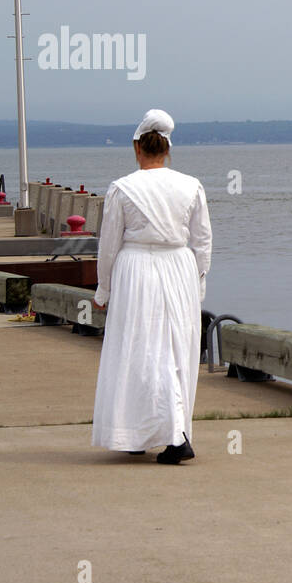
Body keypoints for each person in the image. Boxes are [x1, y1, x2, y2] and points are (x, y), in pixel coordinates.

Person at [91, 110, 212, 464]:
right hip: (179, 268)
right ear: (168, 149)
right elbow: (203, 242)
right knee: (174, 351)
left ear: (137, 148)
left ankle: (169, 436)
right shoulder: (191, 185)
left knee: (139, 348)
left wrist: (103, 289)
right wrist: (198, 282)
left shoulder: (122, 188)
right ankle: (149, 430)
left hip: (137, 269)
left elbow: (108, 245)